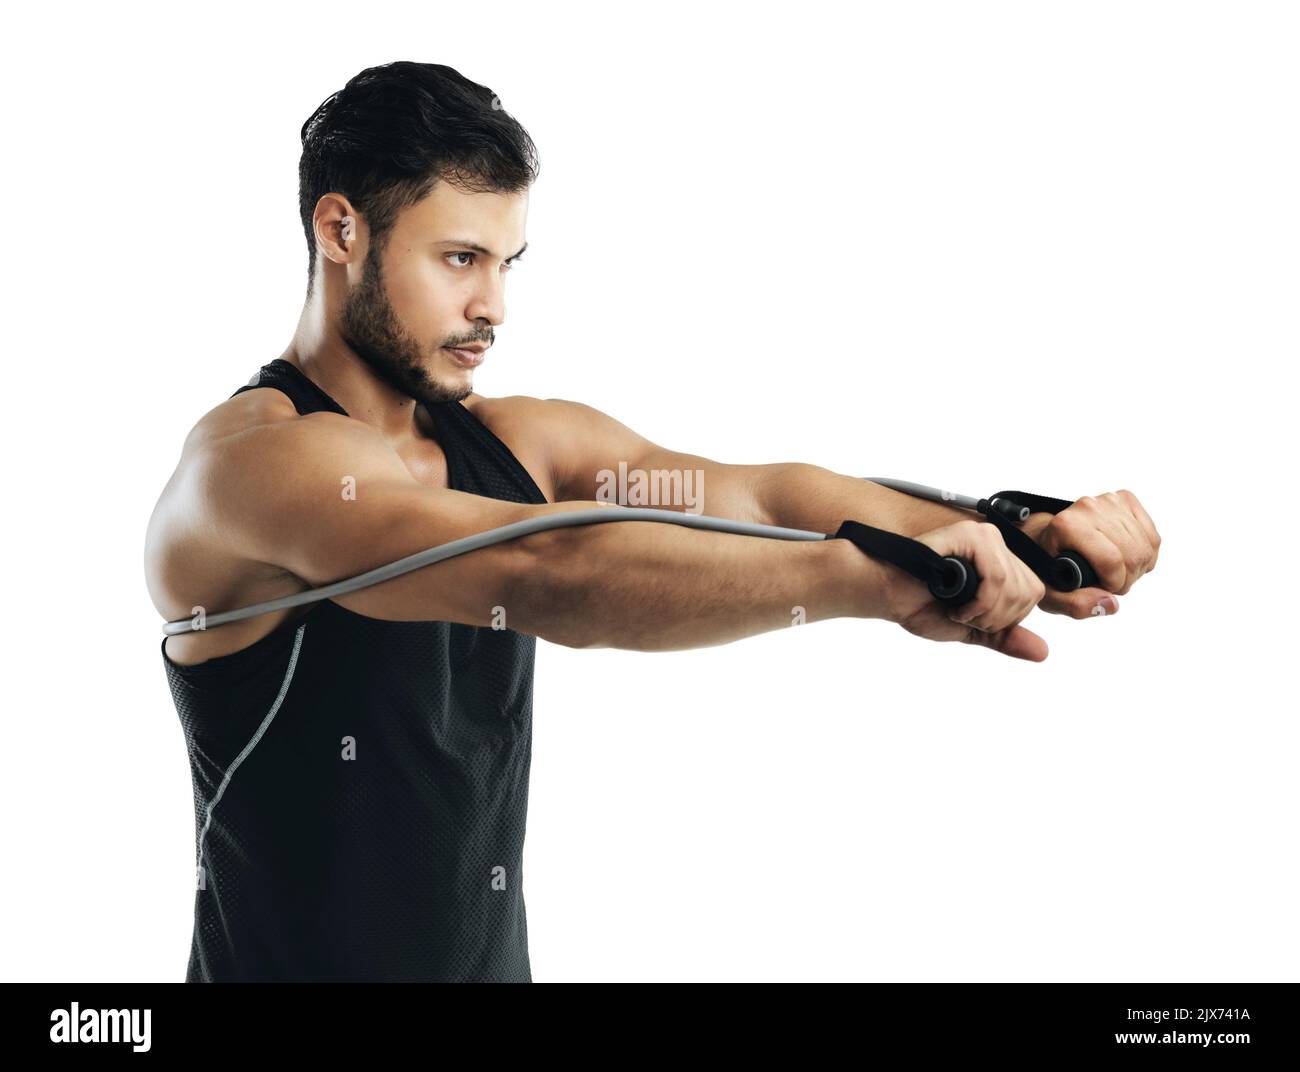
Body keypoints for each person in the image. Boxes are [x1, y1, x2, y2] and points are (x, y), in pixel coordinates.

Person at [143, 61, 1161, 982]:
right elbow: (545, 569)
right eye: (459, 259)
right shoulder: (249, 469)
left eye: (509, 262)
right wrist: (873, 582)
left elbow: (763, 497)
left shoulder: (527, 441)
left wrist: (1014, 529)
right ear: (340, 231)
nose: (493, 306)